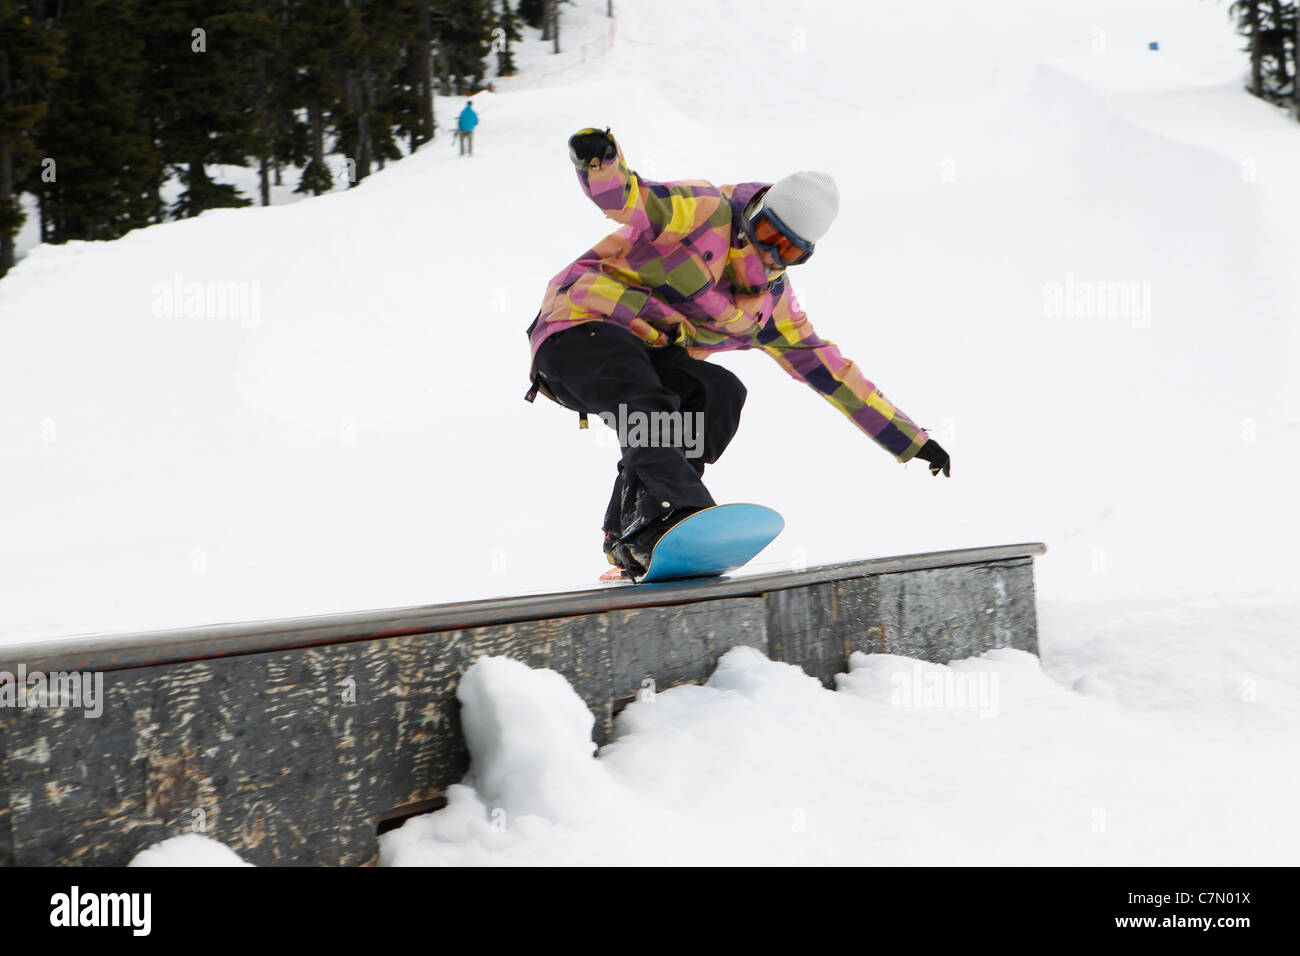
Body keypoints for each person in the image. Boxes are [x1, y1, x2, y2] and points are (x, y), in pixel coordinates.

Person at [525, 127, 950, 576]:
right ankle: (680, 509)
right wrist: (598, 163)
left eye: (789, 250)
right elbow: (632, 199)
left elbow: (830, 372)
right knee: (648, 400)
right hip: (578, 328)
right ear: (757, 208)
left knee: (716, 392)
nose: (771, 251)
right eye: (769, 232)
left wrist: (910, 440)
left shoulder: (769, 306)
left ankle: (637, 527)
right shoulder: (703, 211)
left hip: (648, 352)